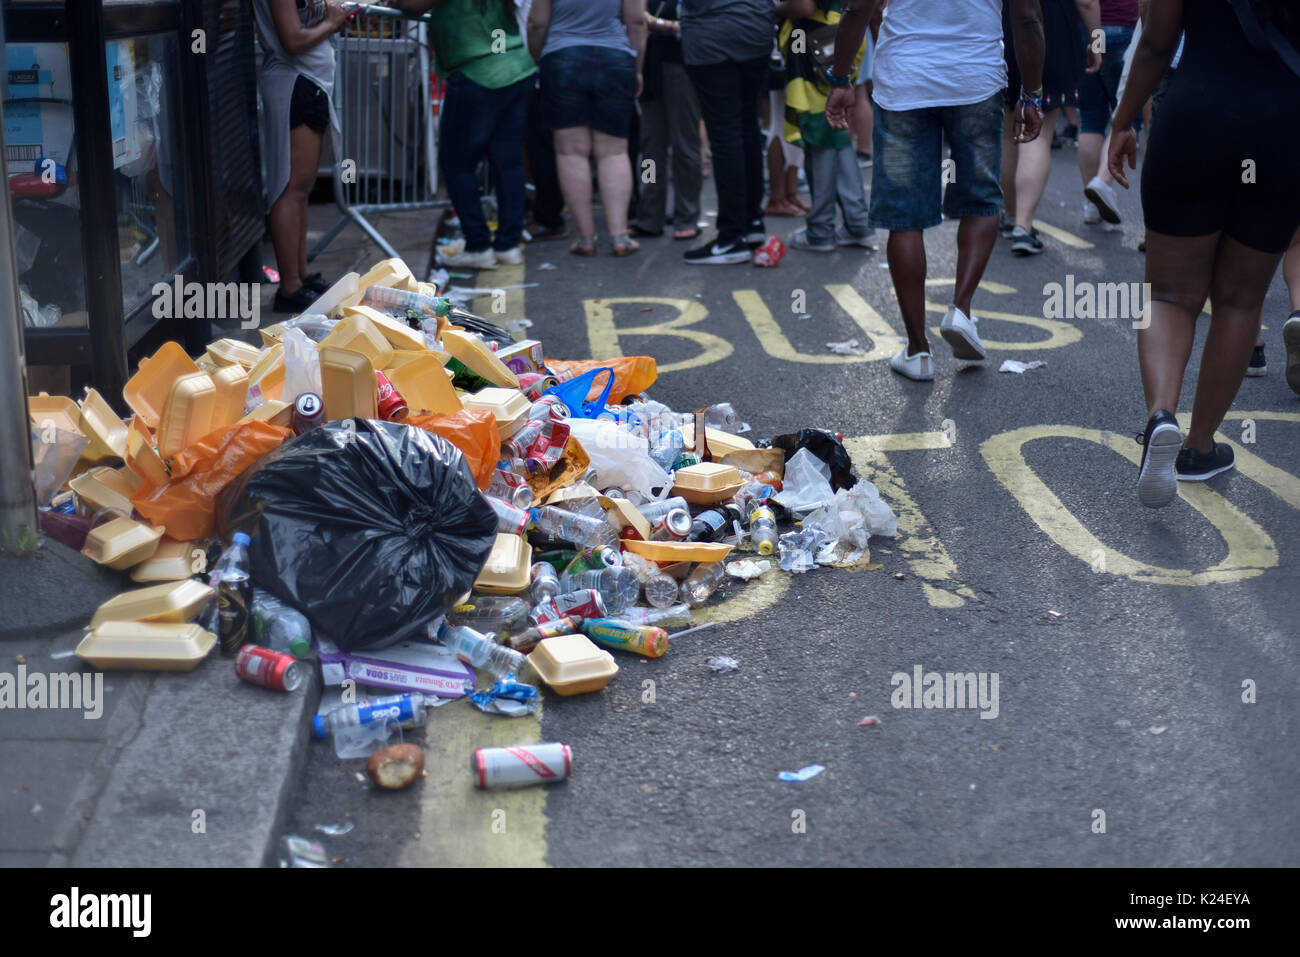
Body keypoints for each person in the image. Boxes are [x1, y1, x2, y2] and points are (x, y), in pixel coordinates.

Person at [1109, 0, 1300, 507]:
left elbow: (1154, 42)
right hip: (1282, 131)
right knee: (1240, 302)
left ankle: (1161, 416)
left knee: (1170, 296)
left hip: (1195, 118)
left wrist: (1123, 119)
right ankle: (1198, 446)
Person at [826, 0, 1045, 382]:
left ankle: (917, 350)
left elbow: (858, 7)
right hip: (975, 80)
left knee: (904, 216)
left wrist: (840, 78)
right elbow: (1027, 17)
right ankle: (960, 309)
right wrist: (1032, 93)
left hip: (905, 81)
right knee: (980, 199)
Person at [394, 0, 536, 270]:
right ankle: (507, 245)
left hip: (477, 71)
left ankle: (479, 245)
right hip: (515, 65)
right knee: (507, 161)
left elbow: (412, 5)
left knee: (457, 163)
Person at [252, 0, 349, 313]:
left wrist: (331, 18)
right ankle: (290, 286)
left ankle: (301, 275)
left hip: (309, 83)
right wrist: (331, 24)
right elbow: (292, 40)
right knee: (289, 189)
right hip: (294, 83)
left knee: (301, 189)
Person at [528, 1, 646, 257]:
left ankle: (586, 239)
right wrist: (637, 69)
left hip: (562, 57)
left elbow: (537, 22)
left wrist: (540, 56)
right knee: (613, 151)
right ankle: (620, 236)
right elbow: (637, 21)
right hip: (616, 58)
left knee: (571, 152)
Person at [1000, 0, 1100, 256]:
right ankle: (1023, 224)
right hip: (1050, 34)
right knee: (1039, 134)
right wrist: (1098, 44)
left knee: (1010, 131)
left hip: (1004, 34)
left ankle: (1010, 216)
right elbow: (1087, 2)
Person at [679, 0, 775, 264]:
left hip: (712, 36)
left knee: (725, 134)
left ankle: (731, 237)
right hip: (756, 30)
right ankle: (753, 222)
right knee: (747, 125)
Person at [777, 0, 874, 252]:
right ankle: (857, 222)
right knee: (835, 131)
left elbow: (804, 6)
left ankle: (821, 228)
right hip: (842, 37)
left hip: (818, 44)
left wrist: (772, 8)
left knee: (818, 132)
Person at [631, 2, 704, 240]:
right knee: (650, 149)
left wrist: (656, 24)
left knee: (685, 146)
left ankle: (687, 215)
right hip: (648, 68)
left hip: (681, 65)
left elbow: (697, 26)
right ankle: (650, 215)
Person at [1078, 0, 1139, 226]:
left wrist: (1094, 40)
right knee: (1125, 117)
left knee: (1090, 119)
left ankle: (1091, 206)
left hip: (1087, 29)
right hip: (1123, 29)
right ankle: (1102, 182)